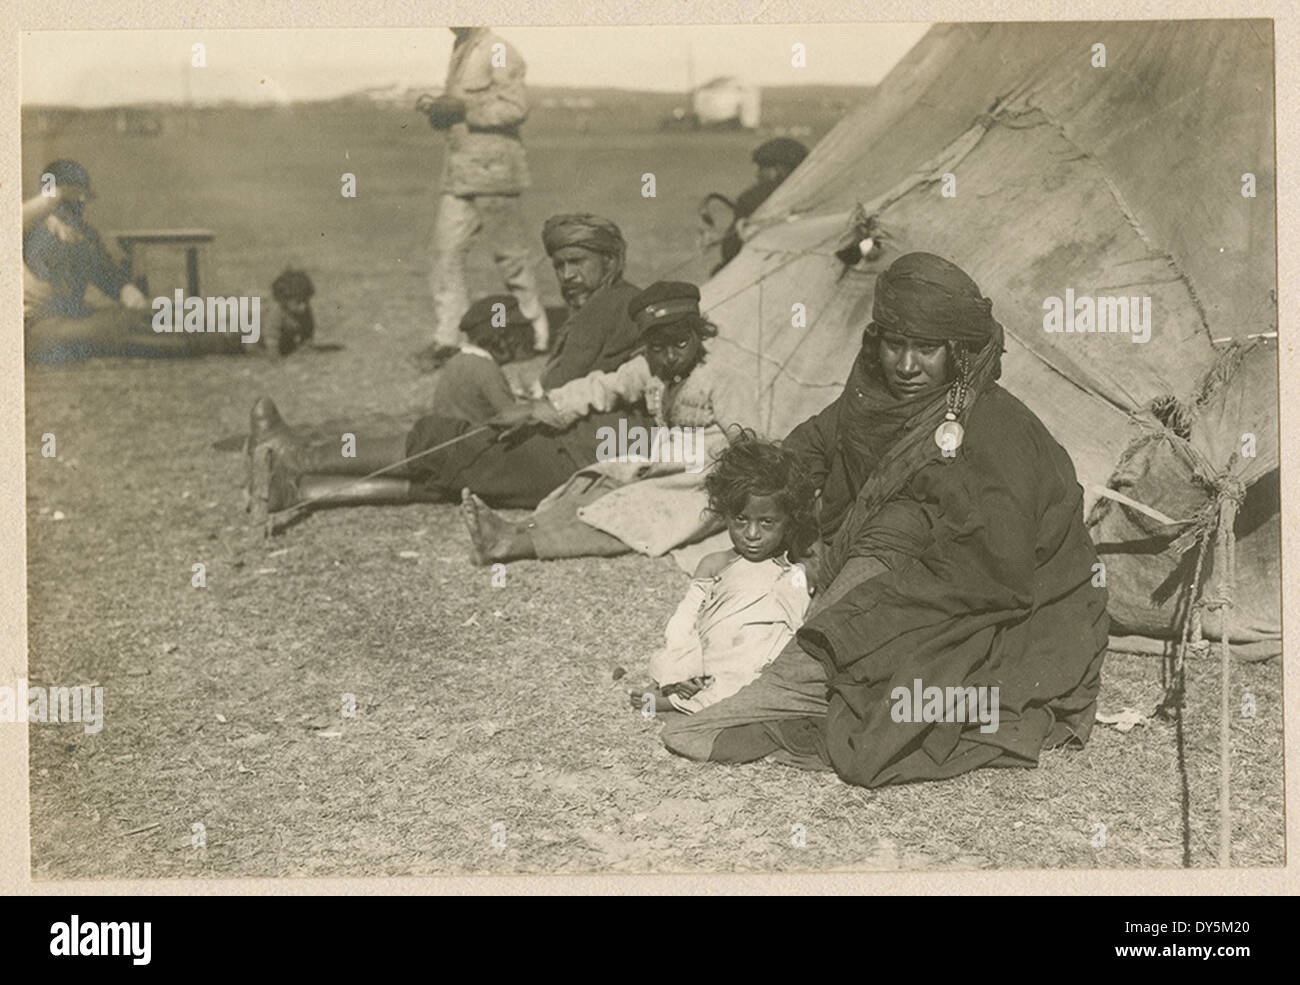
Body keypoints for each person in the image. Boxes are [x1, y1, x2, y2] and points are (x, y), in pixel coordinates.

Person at [659, 252, 1109, 789]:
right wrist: (775, 505)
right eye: (895, 344)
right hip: (912, 577)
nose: (906, 365)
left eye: (926, 349)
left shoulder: (994, 428)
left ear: (958, 353)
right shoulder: (872, 400)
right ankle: (795, 670)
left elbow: (998, 566)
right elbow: (812, 447)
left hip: (1011, 602)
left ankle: (797, 680)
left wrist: (866, 610)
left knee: (901, 537)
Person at [242, 215, 652, 523]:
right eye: (560, 266)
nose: (568, 276)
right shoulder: (615, 303)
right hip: (592, 455)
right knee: (451, 475)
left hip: (577, 455)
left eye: (577, 262)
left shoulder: (607, 307)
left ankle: (300, 458)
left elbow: (560, 386)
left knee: (442, 441)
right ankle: (301, 490)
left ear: (611, 261)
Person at [458, 281, 740, 563]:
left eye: (681, 343)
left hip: (706, 480)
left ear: (699, 334)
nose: (670, 356)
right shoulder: (651, 368)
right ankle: (518, 529)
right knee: (595, 487)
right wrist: (537, 408)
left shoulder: (719, 377)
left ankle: (516, 546)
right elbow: (604, 387)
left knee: (633, 514)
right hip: (664, 463)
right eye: (657, 347)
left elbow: (748, 440)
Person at [630, 436, 814, 715]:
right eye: (741, 519)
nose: (752, 534)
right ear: (725, 514)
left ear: (788, 521)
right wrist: (684, 665)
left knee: (750, 681)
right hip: (711, 652)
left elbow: (798, 620)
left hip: (760, 659)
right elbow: (686, 620)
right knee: (672, 661)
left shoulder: (795, 571)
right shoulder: (715, 564)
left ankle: (682, 700)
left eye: (766, 522)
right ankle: (679, 690)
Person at [413, 26, 549, 373]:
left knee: (511, 257)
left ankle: (534, 333)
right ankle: (451, 339)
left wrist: (461, 108)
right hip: (460, 176)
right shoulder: (462, 47)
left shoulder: (497, 50)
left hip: (495, 173)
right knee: (444, 253)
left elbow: (515, 107)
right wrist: (439, 111)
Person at [429, 294, 531, 425]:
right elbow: (514, 417)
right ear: (499, 340)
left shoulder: (457, 360)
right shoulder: (486, 369)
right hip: (474, 442)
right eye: (514, 336)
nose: (518, 342)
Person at [711, 137, 808, 272]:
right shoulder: (814, 195)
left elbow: (729, 251)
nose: (757, 175)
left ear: (778, 169)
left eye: (762, 168)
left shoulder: (752, 198)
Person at [261, 267, 316, 358]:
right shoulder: (276, 312)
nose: (303, 306)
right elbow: (270, 335)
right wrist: (274, 353)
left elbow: (308, 330)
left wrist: (306, 346)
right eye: (298, 302)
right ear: (284, 300)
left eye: (306, 301)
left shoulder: (305, 311)